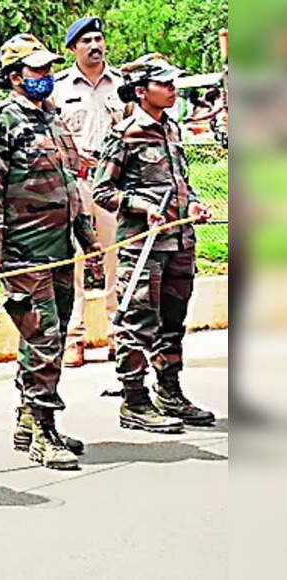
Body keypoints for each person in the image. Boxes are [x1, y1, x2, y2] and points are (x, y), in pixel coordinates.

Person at [0, 34, 100, 470]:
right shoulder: (2, 122)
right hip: (24, 253)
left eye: (49, 70)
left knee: (52, 336)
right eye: (37, 71)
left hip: (60, 248)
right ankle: (44, 433)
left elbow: (71, 187)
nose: (46, 77)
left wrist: (88, 240)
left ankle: (28, 419)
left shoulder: (52, 118)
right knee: (43, 337)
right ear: (14, 77)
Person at [92, 53, 215, 433]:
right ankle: (134, 400)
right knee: (137, 323)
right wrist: (140, 205)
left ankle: (169, 391)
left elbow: (181, 181)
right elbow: (103, 192)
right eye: (165, 84)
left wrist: (193, 202)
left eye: (174, 83)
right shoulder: (124, 134)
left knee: (173, 323)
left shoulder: (173, 129)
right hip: (143, 247)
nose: (173, 90)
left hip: (179, 242)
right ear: (142, 91)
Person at [52, 16, 126, 368]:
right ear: (72, 49)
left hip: (112, 182)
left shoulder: (122, 85)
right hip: (76, 182)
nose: (95, 46)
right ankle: (73, 339)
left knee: (116, 258)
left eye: (99, 39)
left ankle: (118, 335)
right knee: (75, 263)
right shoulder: (58, 88)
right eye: (86, 42)